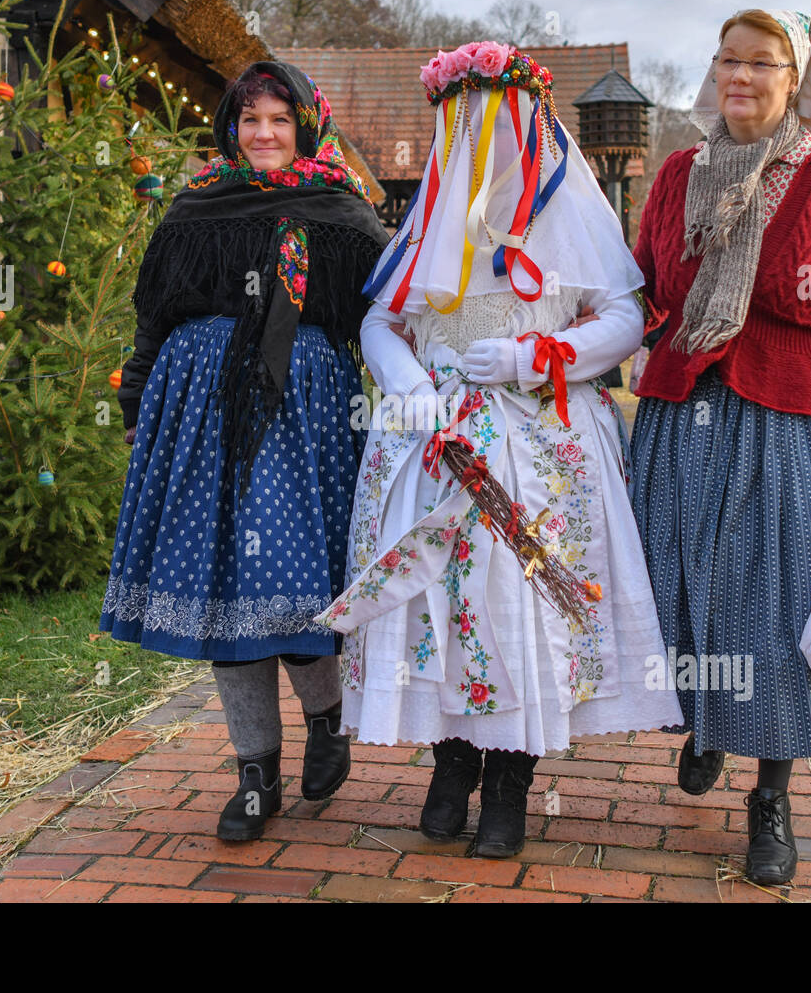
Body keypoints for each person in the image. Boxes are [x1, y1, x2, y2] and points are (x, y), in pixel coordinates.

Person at [315, 42, 683, 858]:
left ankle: (511, 779)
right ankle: (452, 759)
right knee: (439, 600)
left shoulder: (570, 214)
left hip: (538, 436)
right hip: (436, 436)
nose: (480, 135)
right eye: (464, 121)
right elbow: (383, 318)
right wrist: (409, 384)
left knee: (525, 601)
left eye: (495, 120)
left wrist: (532, 357)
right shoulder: (431, 214)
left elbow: (624, 317)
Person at [627, 10, 811, 884]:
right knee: (677, 587)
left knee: (773, 607)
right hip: (682, 415)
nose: (741, 77)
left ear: (797, 80)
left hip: (792, 424)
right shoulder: (681, 173)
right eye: (728, 61)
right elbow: (641, 292)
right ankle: (708, 725)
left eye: (763, 63)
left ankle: (771, 795)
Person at [99, 61, 390, 840]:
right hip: (197, 415)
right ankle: (254, 775)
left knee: (291, 583)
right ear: (232, 126)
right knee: (225, 595)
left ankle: (325, 714)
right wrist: (136, 402)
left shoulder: (344, 214)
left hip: (307, 418)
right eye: (250, 119)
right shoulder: (196, 207)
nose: (263, 134)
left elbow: (386, 324)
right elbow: (153, 318)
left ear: (306, 128)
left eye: (279, 120)